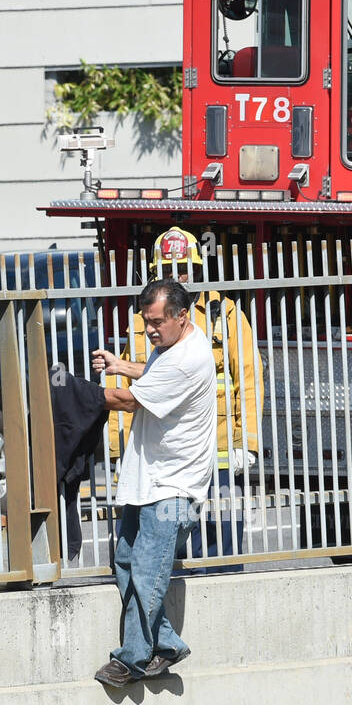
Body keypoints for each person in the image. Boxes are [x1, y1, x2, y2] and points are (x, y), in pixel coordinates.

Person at [106, 227, 262, 565]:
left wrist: (246, 443)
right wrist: (118, 449)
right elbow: (135, 384)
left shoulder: (225, 312)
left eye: (182, 269)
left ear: (196, 269)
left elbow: (248, 379)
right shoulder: (143, 321)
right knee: (168, 553)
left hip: (219, 452)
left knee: (221, 548)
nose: (176, 276)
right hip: (165, 460)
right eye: (166, 270)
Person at [90, 278, 217, 686]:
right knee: (126, 561)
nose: (150, 330)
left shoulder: (187, 359)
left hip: (174, 488)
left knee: (146, 572)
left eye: (157, 322)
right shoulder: (175, 345)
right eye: (146, 322)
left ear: (182, 316)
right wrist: (122, 365)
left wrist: (73, 393)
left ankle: (131, 659)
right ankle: (167, 645)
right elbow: (150, 375)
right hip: (150, 481)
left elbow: (130, 400)